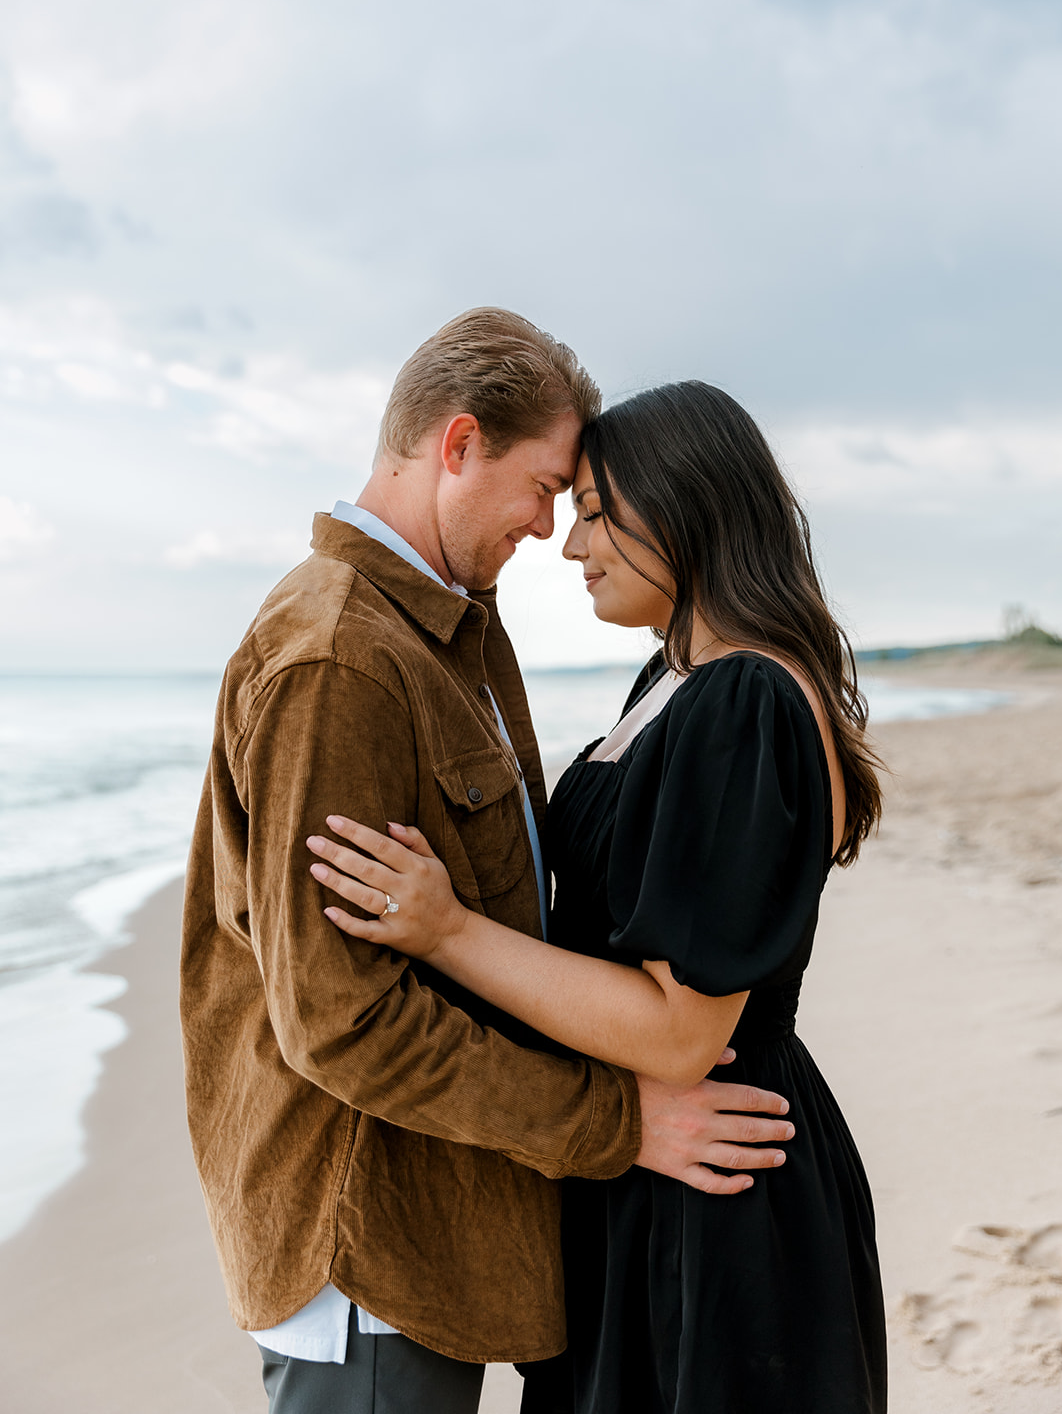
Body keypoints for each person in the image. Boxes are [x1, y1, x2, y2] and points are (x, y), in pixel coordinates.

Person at [180, 316, 795, 1414]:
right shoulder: (341, 659)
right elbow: (342, 1020)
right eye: (546, 485)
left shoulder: (445, 628)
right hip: (372, 1240)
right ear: (458, 442)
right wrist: (617, 1121)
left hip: (439, 1225)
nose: (552, 527)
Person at [308, 380, 889, 1413]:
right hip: (655, 1172)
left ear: (679, 500)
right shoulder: (671, 680)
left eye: (587, 508)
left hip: (711, 1185)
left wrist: (443, 930)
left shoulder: (744, 698)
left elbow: (675, 1031)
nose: (568, 545)